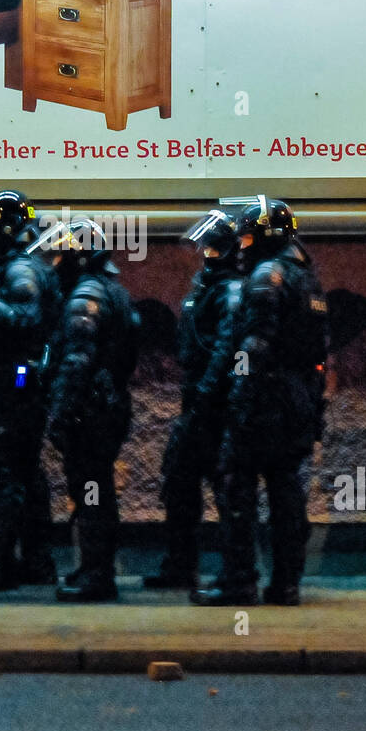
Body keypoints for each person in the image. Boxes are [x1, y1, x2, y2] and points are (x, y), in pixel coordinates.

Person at [192, 196, 329, 607]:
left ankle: (239, 580)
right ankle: (287, 583)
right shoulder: (307, 278)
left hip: (264, 400)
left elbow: (253, 346)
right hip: (298, 399)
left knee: (237, 488)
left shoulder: (265, 277)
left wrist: (237, 398)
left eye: (248, 235)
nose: (243, 244)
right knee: (287, 490)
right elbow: (319, 349)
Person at [0, 189, 63, 594]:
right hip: (16, 382)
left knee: (6, 472)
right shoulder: (17, 269)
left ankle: (0, 564)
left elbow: (26, 321)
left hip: (19, 383)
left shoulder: (21, 272)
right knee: (25, 474)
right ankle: (37, 561)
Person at [31, 219, 139, 601]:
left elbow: (76, 362)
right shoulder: (112, 290)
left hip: (89, 413)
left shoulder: (84, 298)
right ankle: (94, 567)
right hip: (105, 408)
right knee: (96, 490)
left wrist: (60, 413)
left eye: (60, 254)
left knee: (91, 491)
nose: (55, 262)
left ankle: (97, 575)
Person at [144, 208, 244, 590]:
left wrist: (206, 394)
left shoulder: (230, 289)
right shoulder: (207, 284)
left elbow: (224, 347)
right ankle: (180, 565)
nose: (203, 251)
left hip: (216, 405)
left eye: (209, 246)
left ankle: (232, 570)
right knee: (179, 482)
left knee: (225, 490)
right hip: (198, 400)